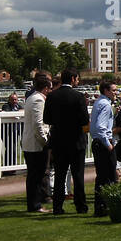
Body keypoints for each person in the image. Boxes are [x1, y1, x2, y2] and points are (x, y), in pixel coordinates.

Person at [44, 69, 89, 214]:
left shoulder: (52, 96)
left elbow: (47, 119)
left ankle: (57, 206)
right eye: (77, 78)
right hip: (76, 140)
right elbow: (84, 120)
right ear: (73, 79)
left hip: (59, 140)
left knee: (59, 175)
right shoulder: (78, 96)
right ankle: (80, 206)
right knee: (78, 175)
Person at [21, 73, 52, 213]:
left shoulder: (32, 98)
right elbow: (38, 125)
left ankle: (34, 204)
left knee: (35, 176)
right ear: (45, 88)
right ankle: (35, 205)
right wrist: (46, 142)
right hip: (36, 145)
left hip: (32, 144)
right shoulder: (38, 100)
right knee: (36, 176)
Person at [90, 81, 119, 217]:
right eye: (113, 90)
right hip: (103, 143)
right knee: (108, 176)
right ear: (106, 91)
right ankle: (104, 205)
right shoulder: (106, 105)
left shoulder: (99, 102)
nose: (116, 93)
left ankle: (101, 206)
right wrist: (108, 144)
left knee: (102, 177)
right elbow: (101, 127)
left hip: (97, 142)